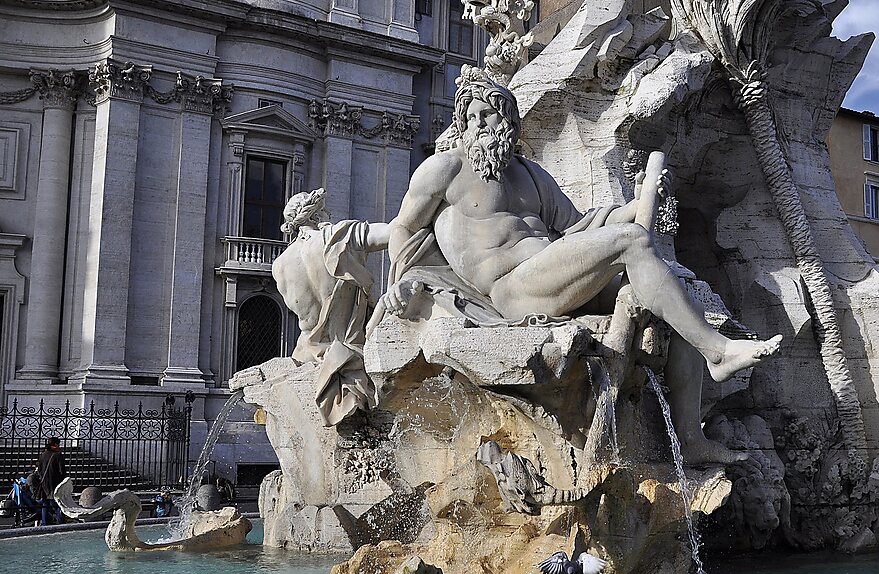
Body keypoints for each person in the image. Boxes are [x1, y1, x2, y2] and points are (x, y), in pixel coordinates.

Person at [375, 69, 781, 464]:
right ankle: (719, 351)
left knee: (674, 292)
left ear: (509, 118)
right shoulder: (446, 168)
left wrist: (642, 203)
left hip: (553, 273)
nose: (480, 124)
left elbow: (579, 229)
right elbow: (404, 227)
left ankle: (690, 438)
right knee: (633, 240)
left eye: (490, 113)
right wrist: (401, 278)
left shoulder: (532, 175)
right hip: (512, 289)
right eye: (472, 117)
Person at [272, 188, 395, 426]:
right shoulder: (338, 237)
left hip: (308, 358)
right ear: (316, 216)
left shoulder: (280, 265)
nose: (330, 215)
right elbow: (394, 232)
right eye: (326, 211)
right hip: (353, 355)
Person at [34, 437, 66, 526]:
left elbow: (39, 469)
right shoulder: (58, 455)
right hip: (54, 482)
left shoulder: (43, 454)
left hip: (44, 483)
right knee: (56, 503)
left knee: (45, 504)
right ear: (55, 444)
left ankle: (45, 523)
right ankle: (61, 522)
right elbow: (62, 471)